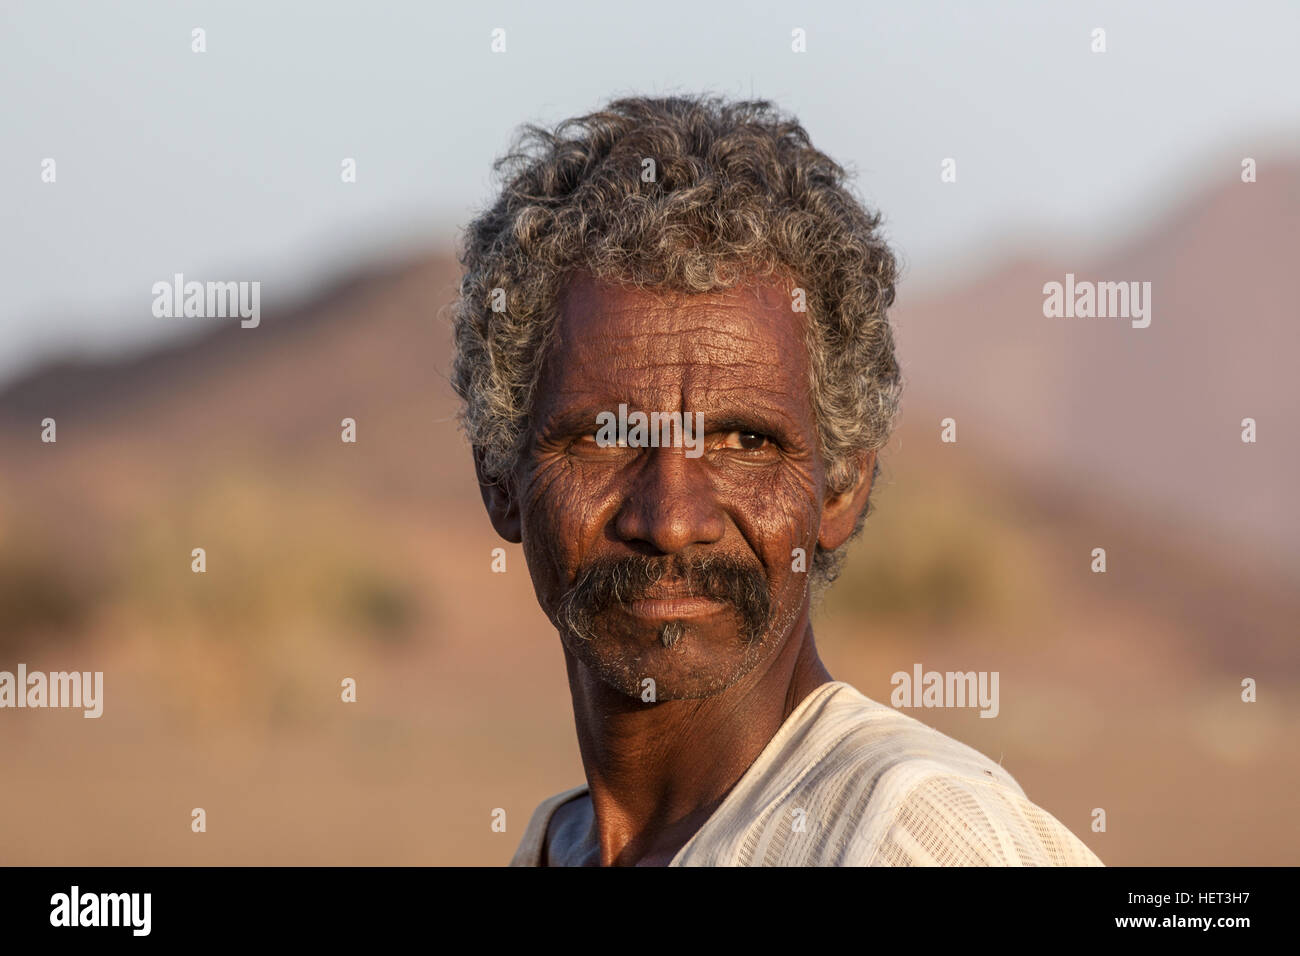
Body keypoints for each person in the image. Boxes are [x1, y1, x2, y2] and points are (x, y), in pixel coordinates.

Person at [451, 94, 1102, 867]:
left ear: (841, 487)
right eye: (604, 436)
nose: (669, 519)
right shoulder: (557, 847)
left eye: (745, 441)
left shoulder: (912, 837)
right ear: (500, 476)